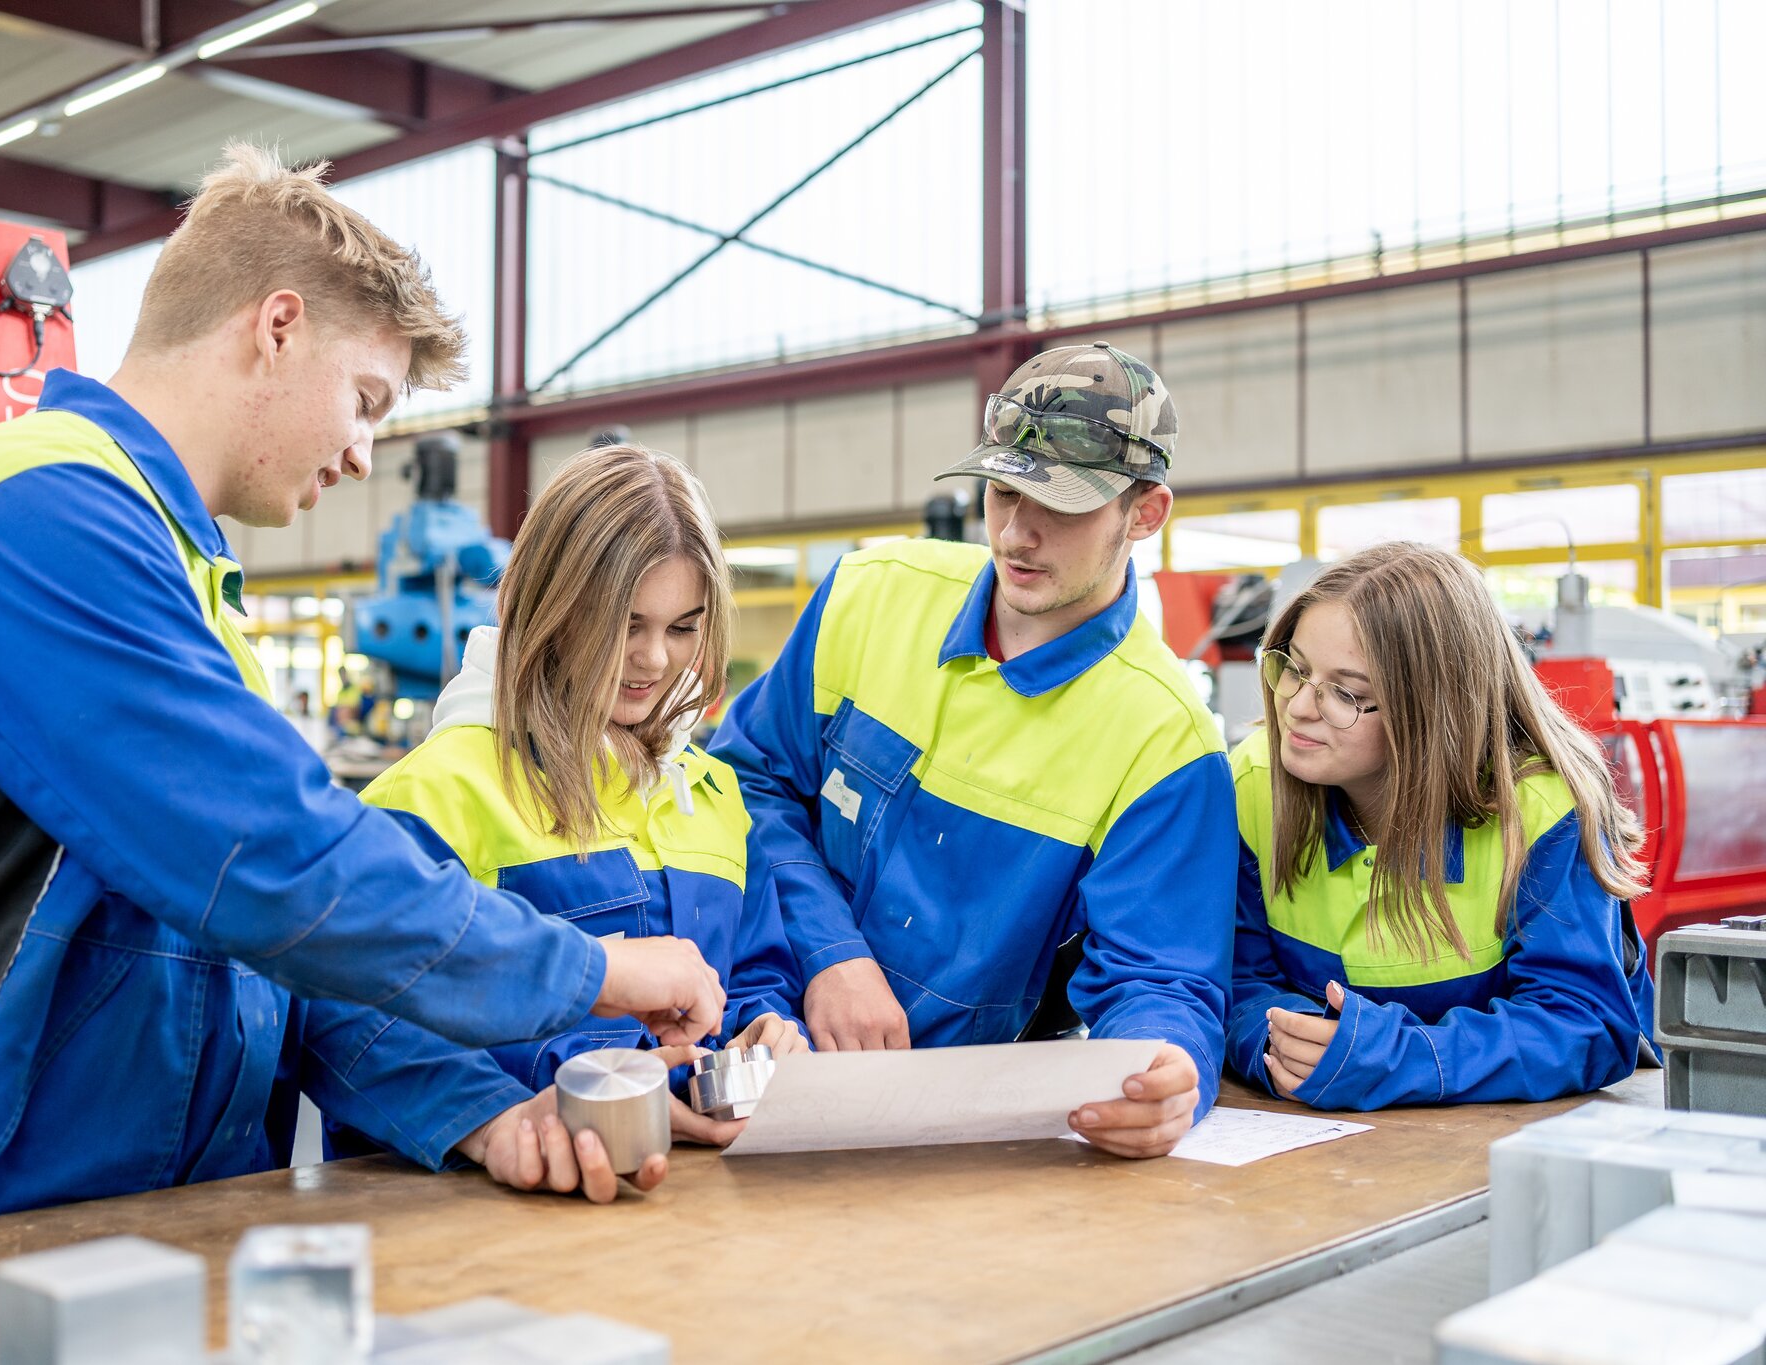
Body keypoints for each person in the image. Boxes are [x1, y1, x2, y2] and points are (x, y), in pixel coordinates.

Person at [0, 144, 723, 1256]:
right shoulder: (32, 512)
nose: (363, 453)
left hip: (129, 1237)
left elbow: (279, 958)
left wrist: (477, 1111)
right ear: (278, 326)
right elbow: (275, 863)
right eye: (365, 400)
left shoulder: (190, 589)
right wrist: (590, 971)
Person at [712, 343, 1235, 1159]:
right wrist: (830, 956)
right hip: (761, 1044)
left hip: (961, 1136)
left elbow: (1161, 979)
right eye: (1003, 490)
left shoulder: (1166, 739)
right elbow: (744, 781)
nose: (1018, 532)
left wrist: (1165, 1073)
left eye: (1060, 504)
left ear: (1146, 513)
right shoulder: (868, 594)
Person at [350, 444, 809, 1179]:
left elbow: (755, 971)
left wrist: (766, 1029)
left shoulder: (712, 793)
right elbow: (362, 1030)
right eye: (625, 623)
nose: (654, 659)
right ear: (548, 606)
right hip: (487, 1204)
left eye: (682, 627)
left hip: (692, 1205)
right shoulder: (433, 793)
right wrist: (602, 1081)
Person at [1227, 543, 1656, 1109]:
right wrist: (1278, 1043)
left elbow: (1585, 1024)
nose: (1300, 707)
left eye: (1347, 693)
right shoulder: (1253, 779)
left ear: (1434, 710)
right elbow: (1235, 980)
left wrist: (1396, 1058)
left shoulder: (1542, 810)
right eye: (1297, 670)